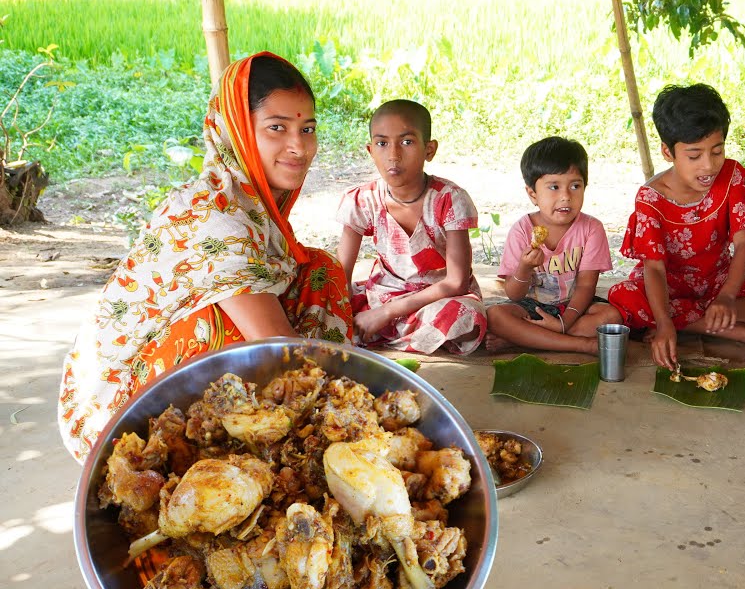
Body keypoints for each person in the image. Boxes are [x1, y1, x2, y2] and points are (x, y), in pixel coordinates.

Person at [57, 52, 353, 463]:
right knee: (220, 322)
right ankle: (211, 448)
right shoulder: (210, 213)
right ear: (236, 132)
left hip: (163, 380)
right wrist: (342, 415)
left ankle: (302, 414)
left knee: (319, 269)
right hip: (117, 414)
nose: (298, 146)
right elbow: (273, 342)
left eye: (307, 128)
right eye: (276, 128)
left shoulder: (253, 207)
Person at [607, 83, 745, 369]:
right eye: (694, 155)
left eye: (717, 151)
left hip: (720, 281)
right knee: (625, 298)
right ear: (667, 151)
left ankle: (693, 323)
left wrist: (726, 295)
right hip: (670, 289)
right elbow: (654, 268)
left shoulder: (732, 176)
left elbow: (744, 245)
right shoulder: (651, 198)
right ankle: (738, 330)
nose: (709, 166)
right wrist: (664, 321)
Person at [336, 99, 486, 355]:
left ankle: (373, 333)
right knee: (320, 303)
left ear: (429, 150)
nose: (393, 155)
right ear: (371, 150)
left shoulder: (449, 199)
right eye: (382, 144)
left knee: (466, 317)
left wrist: (388, 313)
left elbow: (456, 282)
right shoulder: (362, 199)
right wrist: (342, 307)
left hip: (437, 298)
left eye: (407, 142)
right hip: (384, 292)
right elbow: (341, 272)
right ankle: (385, 331)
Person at [486, 136, 621, 353]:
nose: (566, 196)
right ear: (533, 194)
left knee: (611, 316)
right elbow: (514, 294)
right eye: (554, 187)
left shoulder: (591, 228)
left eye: (575, 186)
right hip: (533, 307)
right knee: (495, 316)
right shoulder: (521, 230)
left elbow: (586, 286)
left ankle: (526, 339)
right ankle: (582, 345)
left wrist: (564, 322)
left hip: (574, 306)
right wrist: (525, 267)